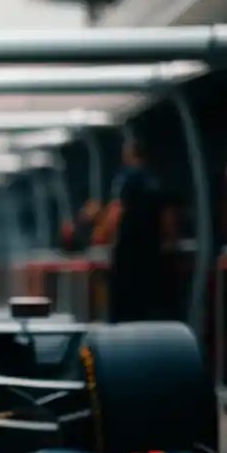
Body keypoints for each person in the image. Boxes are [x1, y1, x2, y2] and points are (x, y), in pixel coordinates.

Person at [93, 132, 176, 322]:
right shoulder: (156, 180)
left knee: (124, 310)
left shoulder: (126, 179)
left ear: (130, 154)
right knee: (147, 309)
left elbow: (116, 211)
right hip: (153, 254)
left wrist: (101, 235)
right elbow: (168, 219)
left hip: (127, 253)